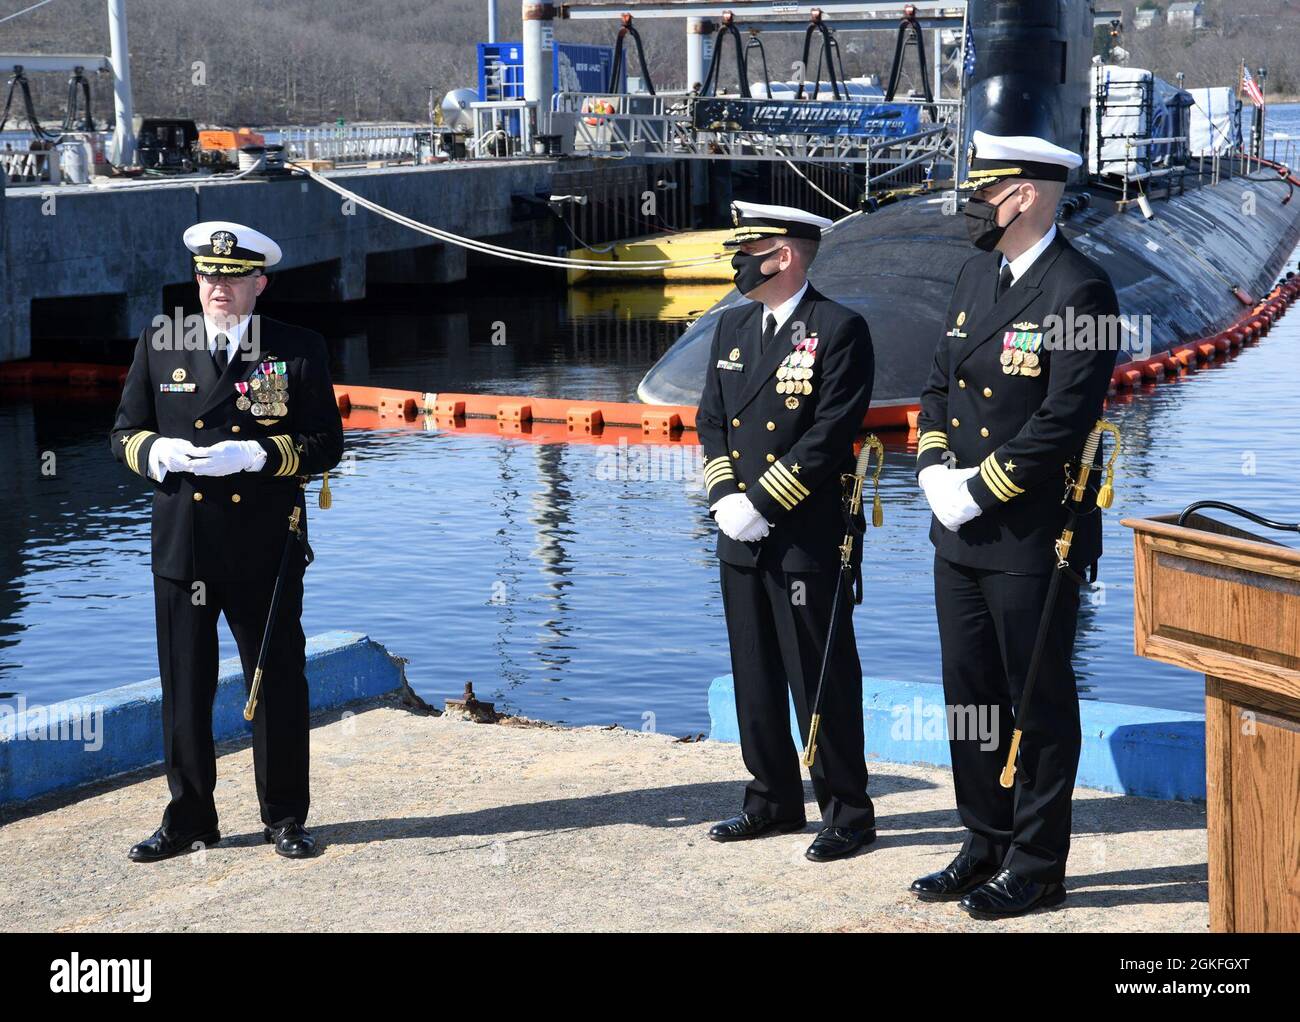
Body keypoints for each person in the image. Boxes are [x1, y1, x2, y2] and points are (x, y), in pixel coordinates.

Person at [911, 131, 1121, 917]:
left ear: (1024, 194)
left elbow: (1066, 419)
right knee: (968, 692)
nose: (972, 206)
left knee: (1034, 698)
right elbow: (938, 384)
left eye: (984, 191)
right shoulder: (976, 274)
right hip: (956, 529)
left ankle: (1037, 863)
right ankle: (982, 840)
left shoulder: (1081, 290)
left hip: (1032, 535)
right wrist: (934, 470)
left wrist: (980, 489)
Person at [111, 220, 343, 862]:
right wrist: (158, 449)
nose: (221, 287)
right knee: (184, 684)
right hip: (184, 544)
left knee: (275, 682)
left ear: (260, 283)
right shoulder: (162, 341)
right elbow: (124, 433)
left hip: (264, 543)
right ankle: (190, 817)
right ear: (197, 279)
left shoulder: (295, 347)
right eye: (211, 276)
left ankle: (285, 816)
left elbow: (328, 444)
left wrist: (252, 455)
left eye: (236, 278)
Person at [697, 200, 877, 861]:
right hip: (738, 535)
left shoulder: (839, 328)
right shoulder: (733, 328)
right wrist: (723, 497)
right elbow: (710, 420)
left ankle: (847, 812)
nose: (740, 259)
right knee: (754, 670)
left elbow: (830, 434)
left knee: (818, 673)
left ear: (787, 255)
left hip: (802, 534)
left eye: (753, 247)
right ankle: (771, 800)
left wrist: (763, 503)